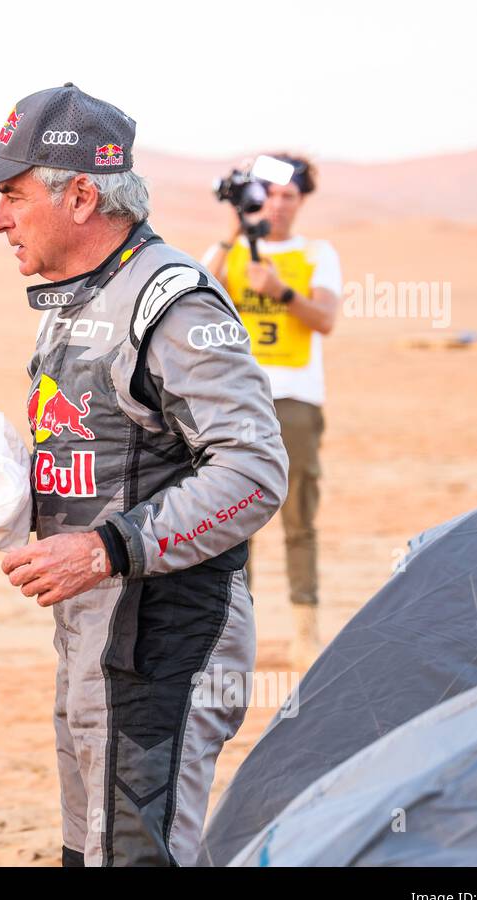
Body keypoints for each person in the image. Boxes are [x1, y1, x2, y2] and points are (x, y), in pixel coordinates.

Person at [0, 84, 288, 866]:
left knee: (139, 855)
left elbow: (254, 468)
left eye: (10, 195)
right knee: (93, 850)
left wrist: (107, 549)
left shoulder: (173, 305)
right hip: (97, 636)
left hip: (167, 632)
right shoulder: (76, 300)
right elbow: (93, 448)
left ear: (79, 195)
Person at [201, 156, 341, 661]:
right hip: (236, 399)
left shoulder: (316, 254)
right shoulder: (229, 252)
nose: (277, 206)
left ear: (301, 201)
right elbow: (197, 289)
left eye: (288, 197)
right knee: (235, 513)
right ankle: (241, 624)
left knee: (299, 514)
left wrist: (280, 291)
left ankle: (306, 625)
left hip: (296, 398)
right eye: (269, 195)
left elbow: (324, 317)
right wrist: (234, 235)